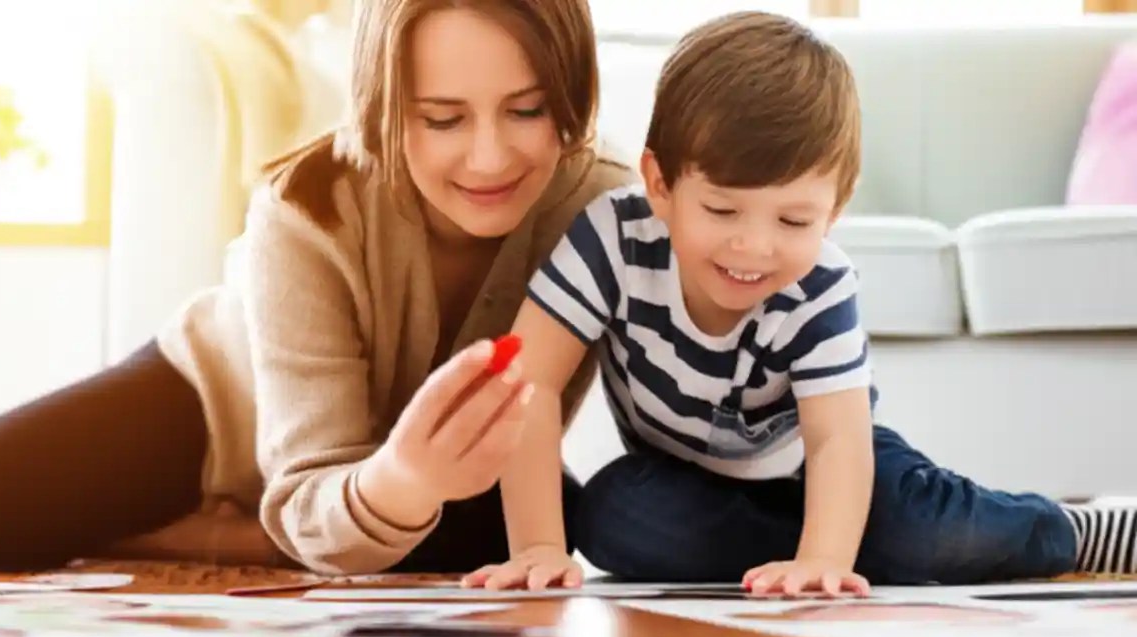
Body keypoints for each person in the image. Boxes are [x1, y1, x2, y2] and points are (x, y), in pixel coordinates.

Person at [0, 0, 632, 574]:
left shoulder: (605, 209)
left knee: (546, 528)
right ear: (381, 103)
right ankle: (245, 536)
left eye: (528, 109)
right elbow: (317, 470)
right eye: (442, 119)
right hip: (222, 411)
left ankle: (289, 534)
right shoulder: (305, 207)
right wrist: (399, 482)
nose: (490, 157)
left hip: (424, 480)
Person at [462, 11, 1137, 596]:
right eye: (722, 210)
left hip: (829, 467)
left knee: (930, 534)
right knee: (612, 520)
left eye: (793, 222)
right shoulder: (613, 236)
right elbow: (529, 382)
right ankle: (853, 546)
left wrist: (824, 561)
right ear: (660, 184)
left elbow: (837, 439)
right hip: (689, 480)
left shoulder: (820, 285)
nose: (754, 247)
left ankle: (1073, 528)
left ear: (835, 210)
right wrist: (539, 546)